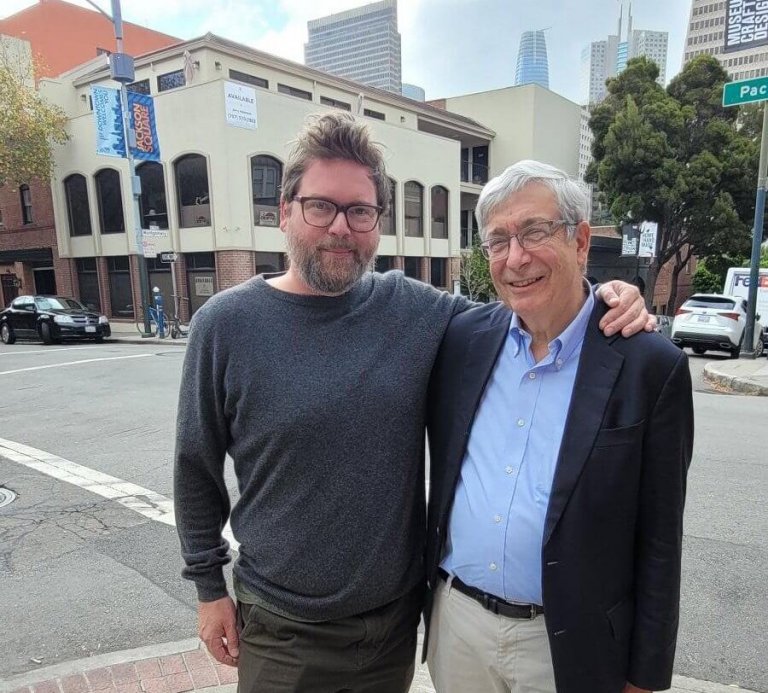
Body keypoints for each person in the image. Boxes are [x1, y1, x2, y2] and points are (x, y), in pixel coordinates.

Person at [173, 114, 650, 693]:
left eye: (360, 211)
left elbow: (529, 305)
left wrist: (607, 293)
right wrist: (208, 589)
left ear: (379, 221)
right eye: (321, 206)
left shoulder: (416, 311)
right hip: (282, 630)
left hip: (392, 629)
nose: (340, 228)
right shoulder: (225, 325)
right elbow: (196, 469)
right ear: (285, 211)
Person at [424, 160, 694, 693]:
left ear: (580, 240)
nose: (516, 257)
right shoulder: (459, 339)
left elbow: (661, 542)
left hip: (571, 644)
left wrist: (646, 677)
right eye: (498, 240)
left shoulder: (648, 367)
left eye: (535, 231)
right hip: (459, 629)